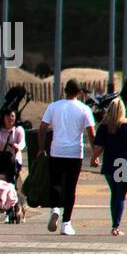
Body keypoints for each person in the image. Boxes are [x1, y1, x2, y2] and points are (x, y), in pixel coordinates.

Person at [38, 79, 96, 236]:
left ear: (65, 90)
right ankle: (66, 224)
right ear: (79, 93)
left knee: (55, 183)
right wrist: (95, 154)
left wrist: (41, 148)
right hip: (75, 153)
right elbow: (91, 132)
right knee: (71, 188)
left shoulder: (54, 106)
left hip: (57, 151)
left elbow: (42, 127)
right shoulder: (84, 109)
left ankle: (55, 209)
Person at [90, 98, 127, 236]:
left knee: (114, 193)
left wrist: (94, 158)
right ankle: (116, 226)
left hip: (108, 163)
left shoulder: (104, 126)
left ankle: (115, 223)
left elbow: (99, 146)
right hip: (122, 162)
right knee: (120, 195)